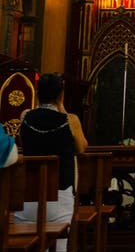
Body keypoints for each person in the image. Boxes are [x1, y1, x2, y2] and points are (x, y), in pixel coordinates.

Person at [15, 72, 87, 250]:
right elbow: (81, 148)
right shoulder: (70, 120)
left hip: (27, 200)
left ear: (37, 94)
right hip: (59, 198)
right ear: (61, 95)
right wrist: (61, 106)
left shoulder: (25, 117)